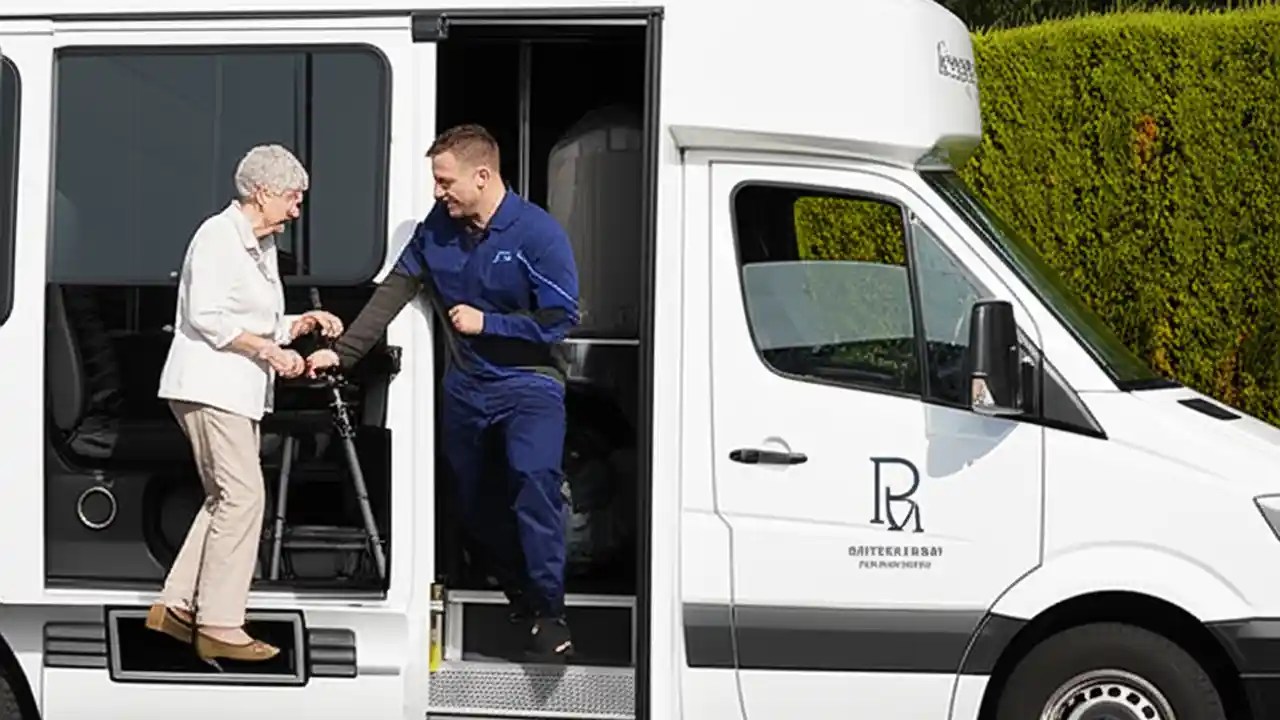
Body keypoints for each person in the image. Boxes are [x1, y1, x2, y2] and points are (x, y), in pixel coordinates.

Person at [306, 124, 581, 663]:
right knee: (470, 503)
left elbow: (561, 318)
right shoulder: (437, 228)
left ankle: (550, 613)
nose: (437, 191)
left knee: (533, 482)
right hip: (467, 389)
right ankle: (521, 595)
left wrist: (489, 323)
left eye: (445, 181)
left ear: (482, 176)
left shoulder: (538, 234)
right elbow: (395, 289)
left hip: (530, 385)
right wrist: (344, 353)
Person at [145, 144, 344, 663]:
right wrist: (269, 352)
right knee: (244, 497)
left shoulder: (260, 244)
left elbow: (257, 320)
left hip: (233, 391)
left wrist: (300, 324)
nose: (297, 210)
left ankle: (176, 605)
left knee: (224, 498)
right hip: (210, 387)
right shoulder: (218, 235)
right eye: (293, 198)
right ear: (262, 192)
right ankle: (219, 622)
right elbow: (206, 315)